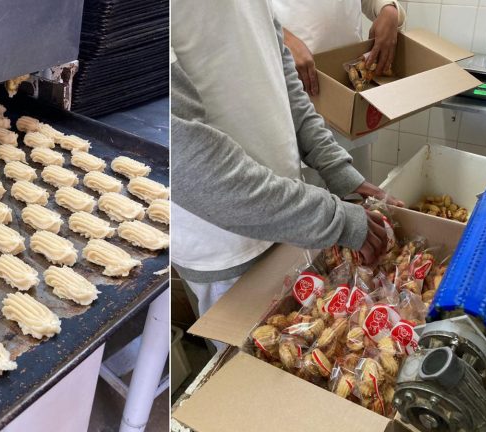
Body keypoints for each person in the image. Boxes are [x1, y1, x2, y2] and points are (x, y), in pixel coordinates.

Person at [171, 0, 403, 319]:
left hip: (290, 222)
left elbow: (285, 84)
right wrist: (334, 220)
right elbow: (190, 163)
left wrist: (337, 169)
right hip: (229, 249)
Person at [273, 0, 406, 182]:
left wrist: (388, 9)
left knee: (359, 196)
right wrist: (282, 36)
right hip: (296, 90)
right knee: (309, 196)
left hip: (349, 92)